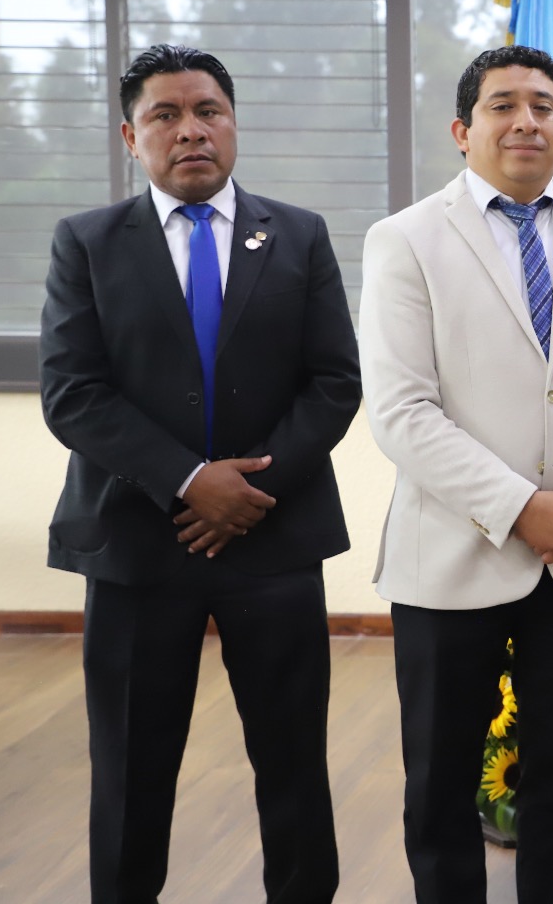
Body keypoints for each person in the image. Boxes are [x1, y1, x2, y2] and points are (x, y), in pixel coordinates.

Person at [39, 44, 362, 904]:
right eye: (165, 115)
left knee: (293, 764)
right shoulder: (87, 243)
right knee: (130, 770)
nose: (191, 130)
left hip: (274, 539)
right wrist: (189, 481)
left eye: (208, 111)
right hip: (137, 548)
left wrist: (247, 494)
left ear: (233, 123)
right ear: (130, 136)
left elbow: (335, 382)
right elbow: (72, 394)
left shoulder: (298, 234)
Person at [359, 44, 553, 904]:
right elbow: (402, 409)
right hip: (449, 559)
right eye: (502, 105)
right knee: (440, 784)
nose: (525, 120)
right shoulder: (406, 239)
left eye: (543, 105)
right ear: (463, 131)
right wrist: (520, 506)